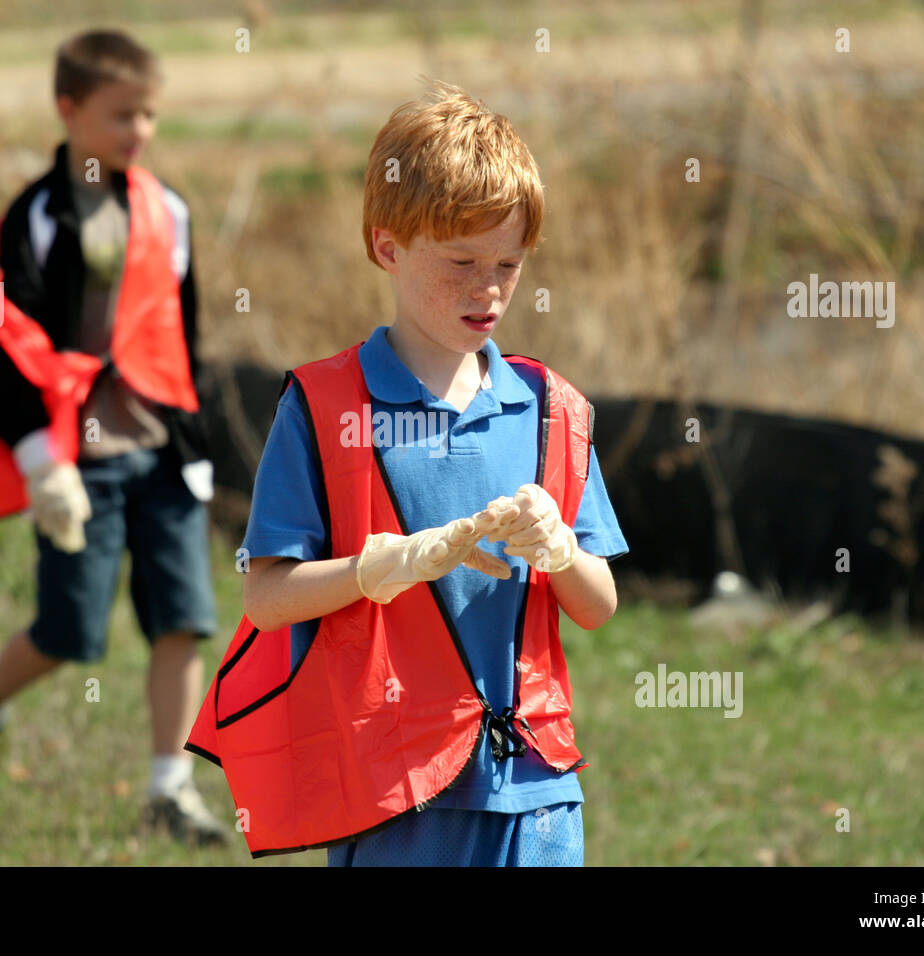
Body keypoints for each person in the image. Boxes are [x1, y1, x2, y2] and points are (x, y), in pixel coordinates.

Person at [185, 81, 628, 865]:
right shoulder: (323, 406)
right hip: (392, 793)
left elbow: (598, 608)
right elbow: (268, 597)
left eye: (508, 262)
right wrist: (385, 566)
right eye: (461, 261)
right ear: (389, 247)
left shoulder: (553, 409)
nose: (487, 288)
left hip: (539, 786)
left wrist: (560, 549)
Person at [0, 29, 228, 846]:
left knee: (183, 618)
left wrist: (194, 451)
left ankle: (170, 789)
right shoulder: (37, 218)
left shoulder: (169, 211)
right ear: (69, 109)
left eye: (151, 115)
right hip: (74, 460)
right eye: (122, 114)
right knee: (69, 632)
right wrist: (38, 463)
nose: (140, 132)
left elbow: (180, 339)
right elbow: (9, 347)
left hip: (161, 450)